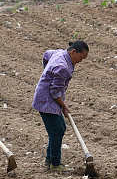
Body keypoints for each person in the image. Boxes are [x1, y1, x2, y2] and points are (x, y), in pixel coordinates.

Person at [32, 41, 89, 172]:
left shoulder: (59, 53)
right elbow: (54, 91)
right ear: (73, 52)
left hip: (48, 97)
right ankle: (55, 164)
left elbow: (46, 55)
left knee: (59, 129)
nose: (81, 61)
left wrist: (47, 72)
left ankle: (49, 160)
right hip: (47, 101)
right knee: (57, 131)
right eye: (81, 57)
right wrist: (63, 105)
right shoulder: (62, 67)